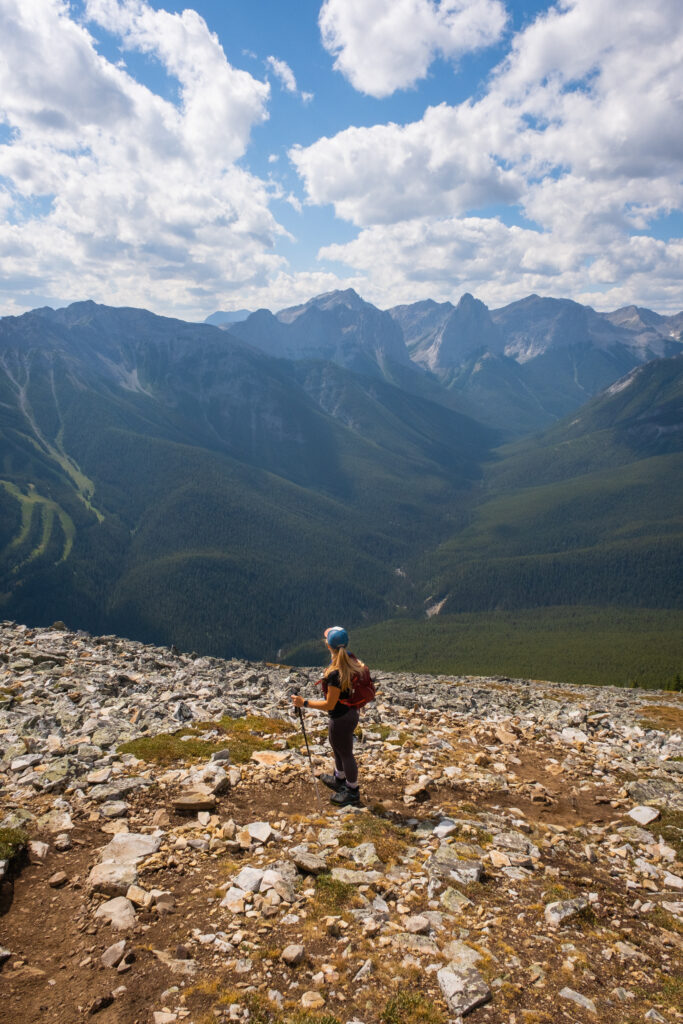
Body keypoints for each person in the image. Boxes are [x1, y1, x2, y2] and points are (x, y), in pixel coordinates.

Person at [290, 625, 365, 807]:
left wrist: (304, 703)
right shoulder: (349, 660)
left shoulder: (335, 674)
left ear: (329, 645)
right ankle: (339, 779)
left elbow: (329, 704)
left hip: (340, 718)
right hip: (350, 713)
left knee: (345, 752)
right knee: (337, 746)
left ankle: (352, 790)